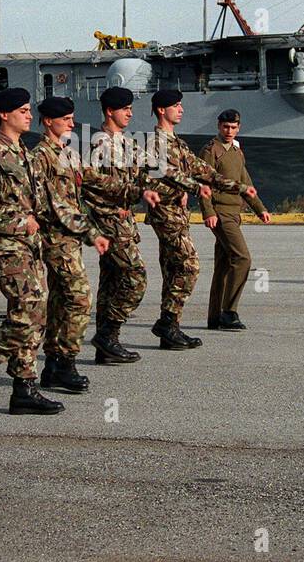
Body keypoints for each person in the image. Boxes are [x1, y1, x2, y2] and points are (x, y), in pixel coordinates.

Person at [0, 88, 63, 415]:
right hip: (6, 247)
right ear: (4, 115)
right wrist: (23, 221)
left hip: (29, 247)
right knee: (26, 311)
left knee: (36, 312)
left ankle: (24, 387)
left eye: (29, 110)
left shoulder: (24, 153)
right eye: (22, 110)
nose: (29, 115)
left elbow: (36, 202)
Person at [146, 90, 253, 348]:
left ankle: (170, 329)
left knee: (173, 271)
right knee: (189, 266)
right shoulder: (154, 143)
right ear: (162, 110)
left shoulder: (179, 144)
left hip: (178, 215)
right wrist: (193, 189)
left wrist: (239, 188)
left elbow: (205, 171)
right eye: (176, 105)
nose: (181, 109)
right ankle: (167, 322)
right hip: (165, 214)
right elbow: (160, 175)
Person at [30, 96, 111, 392]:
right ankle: (66, 362)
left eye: (72, 118)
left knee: (61, 301)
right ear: (49, 121)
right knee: (79, 298)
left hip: (70, 240)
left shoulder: (69, 153)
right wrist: (92, 233)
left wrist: (137, 190)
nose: (72, 124)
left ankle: (54, 365)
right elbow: (54, 207)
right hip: (55, 239)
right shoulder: (40, 157)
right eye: (66, 119)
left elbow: (93, 181)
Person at [80, 86, 161, 363]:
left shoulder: (128, 144)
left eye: (130, 108)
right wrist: (135, 193)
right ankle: (108, 334)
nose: (129, 113)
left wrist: (180, 186)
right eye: (124, 108)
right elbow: (91, 185)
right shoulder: (95, 146)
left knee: (112, 282)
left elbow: (146, 174)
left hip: (124, 222)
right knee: (135, 276)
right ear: (109, 111)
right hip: (107, 221)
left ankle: (106, 347)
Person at [199, 109, 271, 330]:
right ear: (218, 126)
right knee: (242, 259)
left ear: (238, 127)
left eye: (233, 127)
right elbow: (203, 184)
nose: (229, 131)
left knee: (223, 265)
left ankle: (214, 318)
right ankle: (229, 312)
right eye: (225, 127)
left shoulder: (237, 151)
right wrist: (208, 212)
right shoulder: (211, 150)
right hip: (221, 213)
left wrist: (260, 209)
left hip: (234, 212)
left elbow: (245, 184)